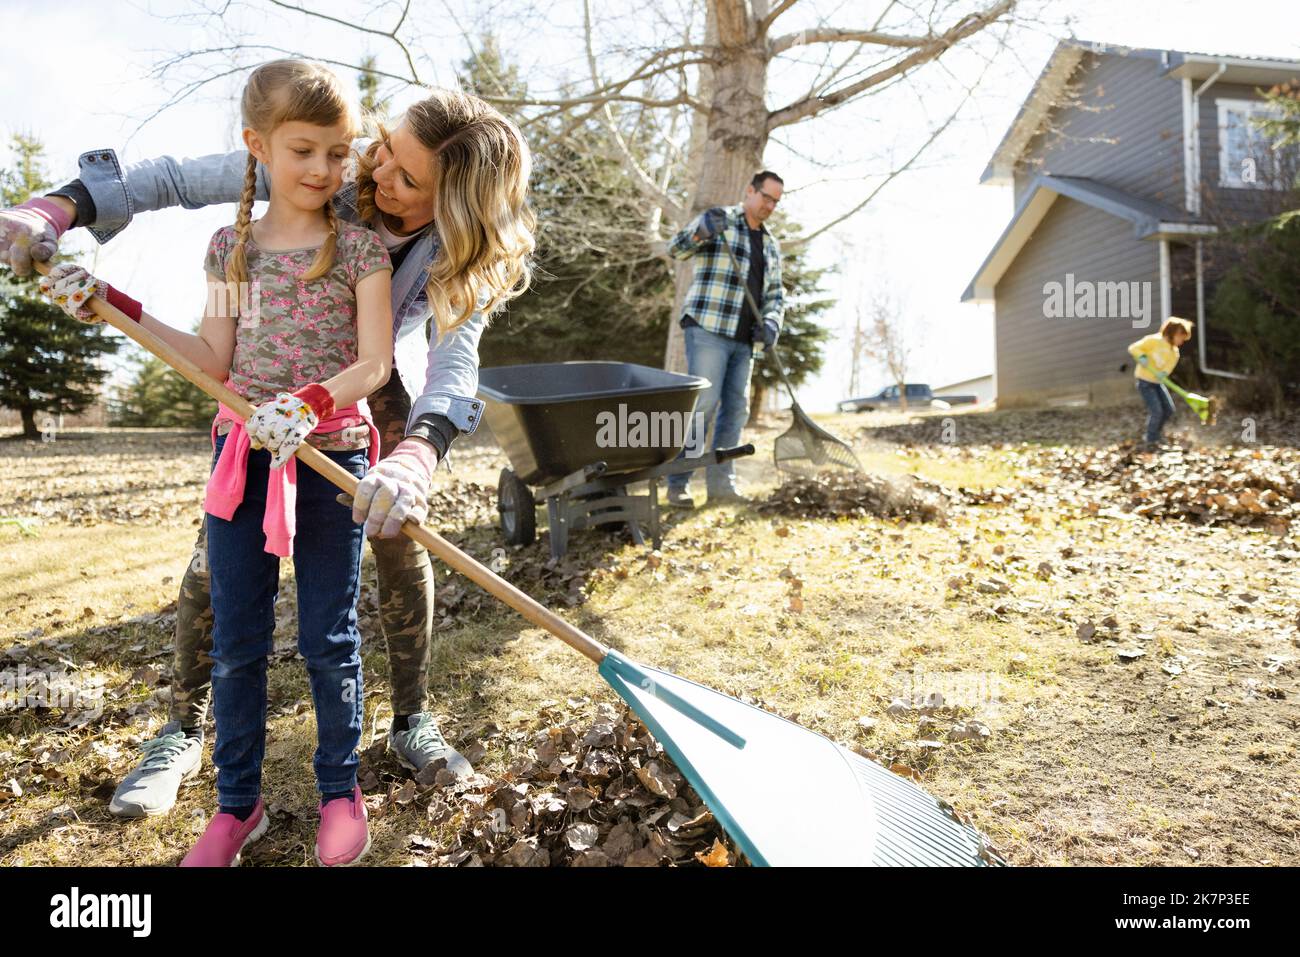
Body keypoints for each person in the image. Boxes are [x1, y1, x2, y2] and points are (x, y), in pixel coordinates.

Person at [0, 81, 535, 818]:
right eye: (383, 151)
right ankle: (182, 729)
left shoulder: (456, 252)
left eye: (407, 179)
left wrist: (417, 454)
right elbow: (179, 182)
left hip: (361, 383)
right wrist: (58, 207)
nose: (376, 175)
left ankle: (411, 720)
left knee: (400, 539)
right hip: (262, 389)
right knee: (213, 564)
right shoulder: (323, 166)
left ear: (454, 207)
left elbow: (450, 361)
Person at [42, 59, 393, 866]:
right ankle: (238, 807)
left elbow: (374, 363)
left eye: (339, 154)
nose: (324, 170)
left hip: (328, 456)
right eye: (305, 150)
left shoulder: (358, 251)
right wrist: (110, 303)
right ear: (256, 145)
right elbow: (211, 355)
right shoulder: (232, 251)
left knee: (328, 637)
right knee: (235, 640)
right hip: (243, 459)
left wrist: (307, 401)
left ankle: (340, 791)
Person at [665, 170, 785, 507]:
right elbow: (675, 248)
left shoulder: (771, 246)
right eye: (766, 197)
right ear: (750, 190)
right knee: (703, 404)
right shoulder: (720, 220)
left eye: (776, 201)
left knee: (735, 410)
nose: (770, 205)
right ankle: (678, 483)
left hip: (744, 341)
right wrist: (702, 232)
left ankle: (721, 486)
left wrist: (772, 324)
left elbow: (776, 296)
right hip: (708, 328)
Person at [1127, 316, 1193, 451]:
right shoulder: (1154, 340)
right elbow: (1133, 348)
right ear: (1172, 332)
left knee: (1168, 410)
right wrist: (1142, 356)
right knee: (1157, 410)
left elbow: (1168, 367)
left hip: (1157, 382)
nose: (1182, 341)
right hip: (1145, 381)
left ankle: (1157, 434)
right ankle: (1150, 439)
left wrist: (1164, 373)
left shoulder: (1174, 353)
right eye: (1181, 337)